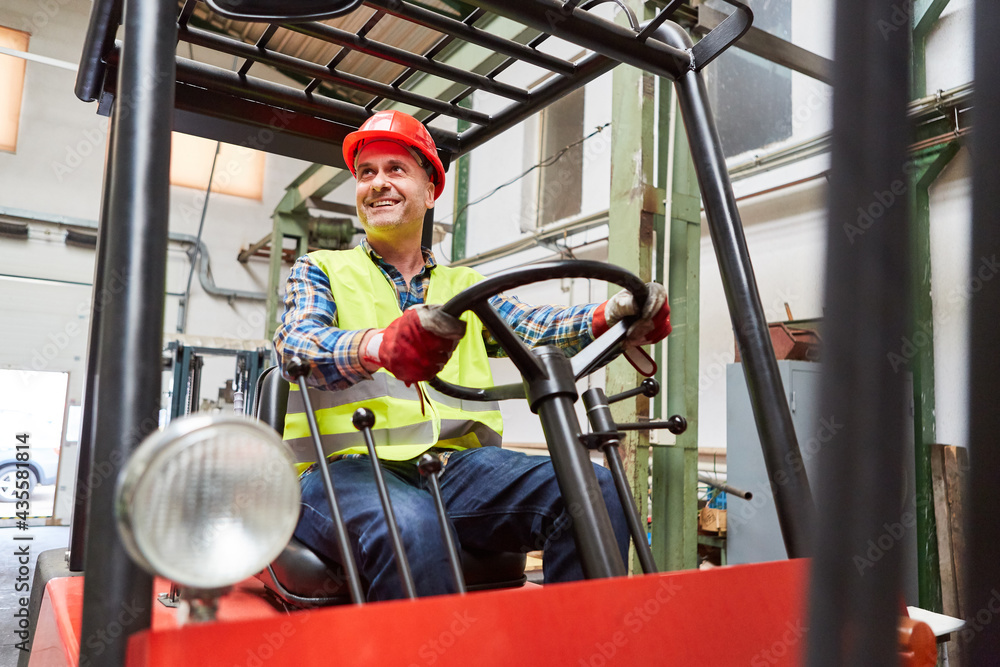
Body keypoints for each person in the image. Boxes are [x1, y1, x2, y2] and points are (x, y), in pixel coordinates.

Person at [273, 110, 672, 602]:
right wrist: (382, 345)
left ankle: (585, 648)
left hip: (454, 469)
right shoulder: (321, 270)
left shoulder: (464, 288)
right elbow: (298, 343)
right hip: (343, 469)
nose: (377, 184)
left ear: (431, 190)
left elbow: (534, 328)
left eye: (395, 170)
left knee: (593, 488)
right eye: (366, 173)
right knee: (412, 527)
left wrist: (614, 312)